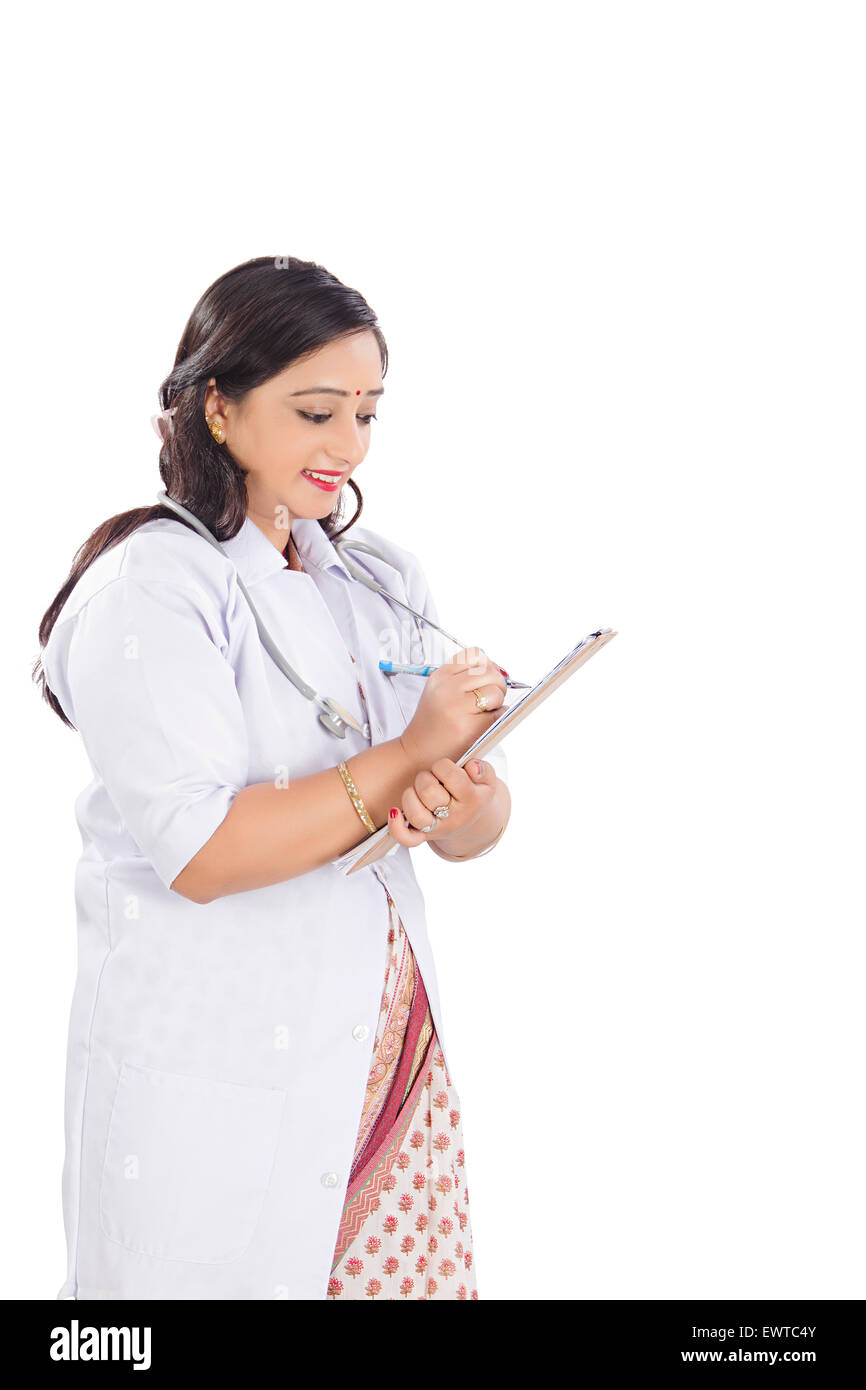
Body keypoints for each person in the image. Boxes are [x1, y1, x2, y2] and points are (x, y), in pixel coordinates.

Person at [34, 254, 511, 1301]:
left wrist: (459, 792)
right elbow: (202, 853)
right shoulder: (153, 588)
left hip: (383, 1058)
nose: (348, 446)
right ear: (217, 405)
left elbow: (478, 823)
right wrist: (403, 759)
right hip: (220, 1075)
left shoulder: (380, 577)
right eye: (314, 411)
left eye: (367, 414)